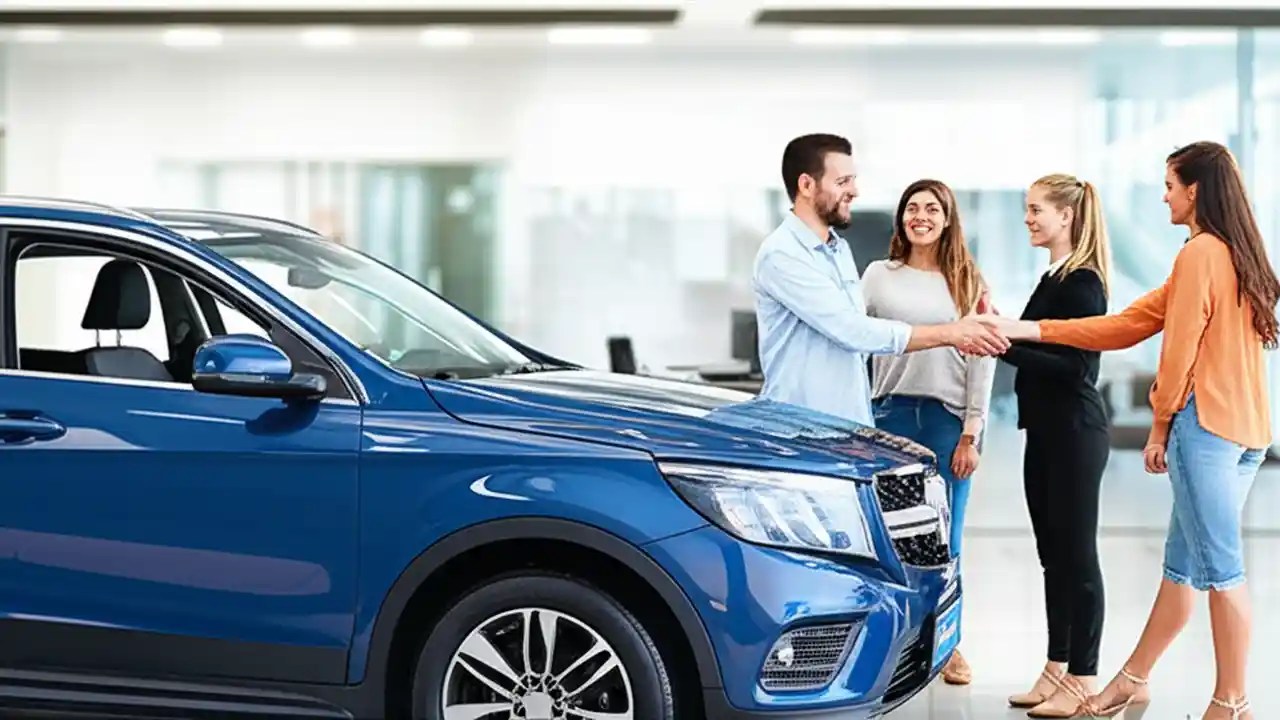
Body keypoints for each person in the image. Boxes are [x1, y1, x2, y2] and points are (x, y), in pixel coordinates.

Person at [978, 141, 1277, 720]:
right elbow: (1125, 325)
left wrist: (1161, 426)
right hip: (1247, 431)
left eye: (1170, 185)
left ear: (1195, 190)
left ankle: (1231, 703)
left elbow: (1178, 352)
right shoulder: (1237, 253)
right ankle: (1132, 680)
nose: (1163, 195)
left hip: (1207, 428)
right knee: (1182, 567)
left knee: (1221, 571)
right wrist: (1025, 329)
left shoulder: (1200, 255)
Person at [753, 133, 1009, 428]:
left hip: (848, 425)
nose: (854, 191)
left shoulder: (837, 249)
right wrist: (951, 333)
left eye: (853, 180)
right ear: (807, 185)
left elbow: (858, 341)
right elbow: (851, 330)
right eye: (842, 182)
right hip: (802, 430)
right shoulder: (783, 254)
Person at [861, 178, 996, 686]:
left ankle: (949, 645)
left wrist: (972, 432)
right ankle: (896, 647)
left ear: (947, 218)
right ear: (901, 219)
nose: (920, 216)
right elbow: (853, 340)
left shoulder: (968, 279)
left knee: (946, 539)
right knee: (892, 540)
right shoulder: (878, 276)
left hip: (945, 422)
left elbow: (984, 358)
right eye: (912, 208)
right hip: (889, 419)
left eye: (931, 208)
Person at [992, 174, 1113, 717]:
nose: (1029, 218)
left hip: (1073, 432)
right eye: (1026, 209)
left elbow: (1076, 367)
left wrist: (1005, 341)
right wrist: (1007, 331)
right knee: (1052, 557)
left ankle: (1084, 677)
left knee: (1077, 558)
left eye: (1036, 209)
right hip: (1044, 431)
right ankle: (1056, 667)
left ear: (1067, 215)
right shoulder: (1054, 277)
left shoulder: (1083, 282)